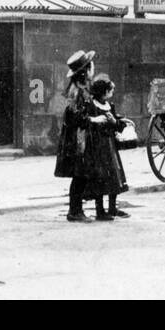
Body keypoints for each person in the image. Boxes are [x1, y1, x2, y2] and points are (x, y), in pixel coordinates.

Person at [55, 50, 99, 221]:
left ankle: (76, 210)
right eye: (91, 66)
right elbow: (77, 118)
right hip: (78, 141)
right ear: (85, 71)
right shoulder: (78, 92)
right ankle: (74, 211)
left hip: (79, 139)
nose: (93, 68)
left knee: (80, 175)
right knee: (79, 176)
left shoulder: (79, 89)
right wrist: (95, 120)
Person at [82, 74, 129, 221]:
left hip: (110, 147)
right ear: (104, 92)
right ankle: (100, 210)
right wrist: (95, 121)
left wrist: (114, 121)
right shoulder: (92, 106)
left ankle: (113, 208)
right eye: (110, 90)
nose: (112, 93)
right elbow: (86, 123)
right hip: (97, 148)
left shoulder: (110, 106)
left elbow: (119, 125)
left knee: (114, 176)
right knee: (100, 178)